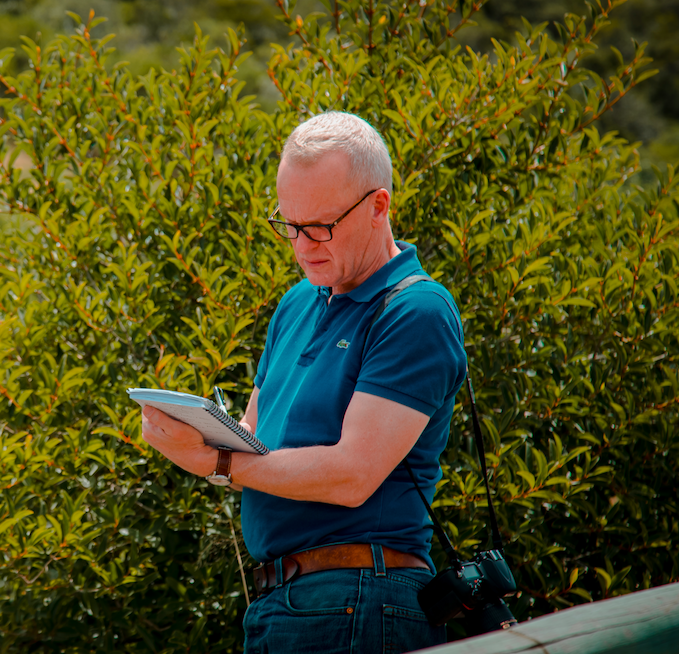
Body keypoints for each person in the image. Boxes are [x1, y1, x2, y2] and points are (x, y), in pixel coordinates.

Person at [140, 111, 467, 653]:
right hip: (282, 604)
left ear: (378, 206)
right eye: (289, 225)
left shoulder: (416, 309)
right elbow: (255, 435)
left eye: (321, 226)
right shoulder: (296, 303)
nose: (302, 244)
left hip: (361, 595)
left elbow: (352, 475)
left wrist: (218, 463)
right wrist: (199, 433)